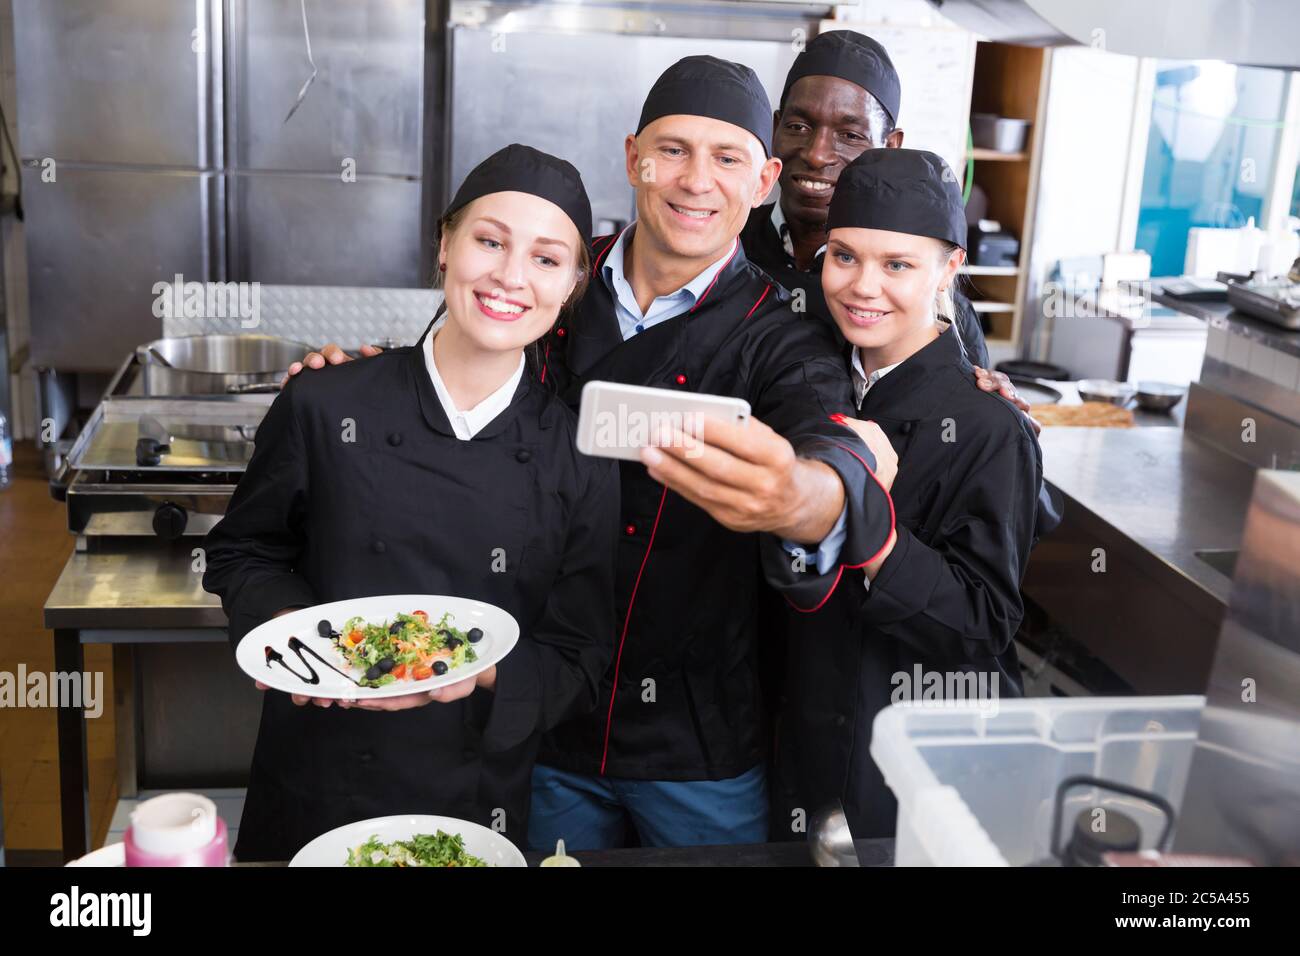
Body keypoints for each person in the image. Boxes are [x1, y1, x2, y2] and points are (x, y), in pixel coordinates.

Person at [289, 56, 901, 850]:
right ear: (632, 158)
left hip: (697, 738)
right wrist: (357, 385)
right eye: (672, 149)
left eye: (727, 159)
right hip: (536, 710)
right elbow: (455, 370)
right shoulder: (553, 269)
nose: (695, 181)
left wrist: (806, 496)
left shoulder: (782, 330)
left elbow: (830, 446)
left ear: (763, 181)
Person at [202, 145, 620, 861]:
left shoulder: (579, 455)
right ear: (444, 247)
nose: (511, 277)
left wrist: (471, 668)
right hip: (318, 772)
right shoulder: (325, 401)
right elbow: (244, 552)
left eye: (547, 260)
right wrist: (300, 642)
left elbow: (581, 655)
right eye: (489, 241)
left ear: (573, 285)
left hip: (474, 794)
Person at [769, 148, 1046, 839]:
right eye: (845, 256)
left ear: (949, 268)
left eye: (898, 265)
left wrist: (876, 536)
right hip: (802, 737)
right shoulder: (805, 383)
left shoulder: (988, 425)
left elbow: (982, 622)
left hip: (917, 765)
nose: (864, 287)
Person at [739, 29, 1000, 379]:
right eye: (799, 126)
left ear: (890, 146)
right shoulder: (725, 250)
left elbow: (964, 417)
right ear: (774, 129)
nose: (817, 155)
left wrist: (996, 411)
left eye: (850, 135)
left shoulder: (939, 315)